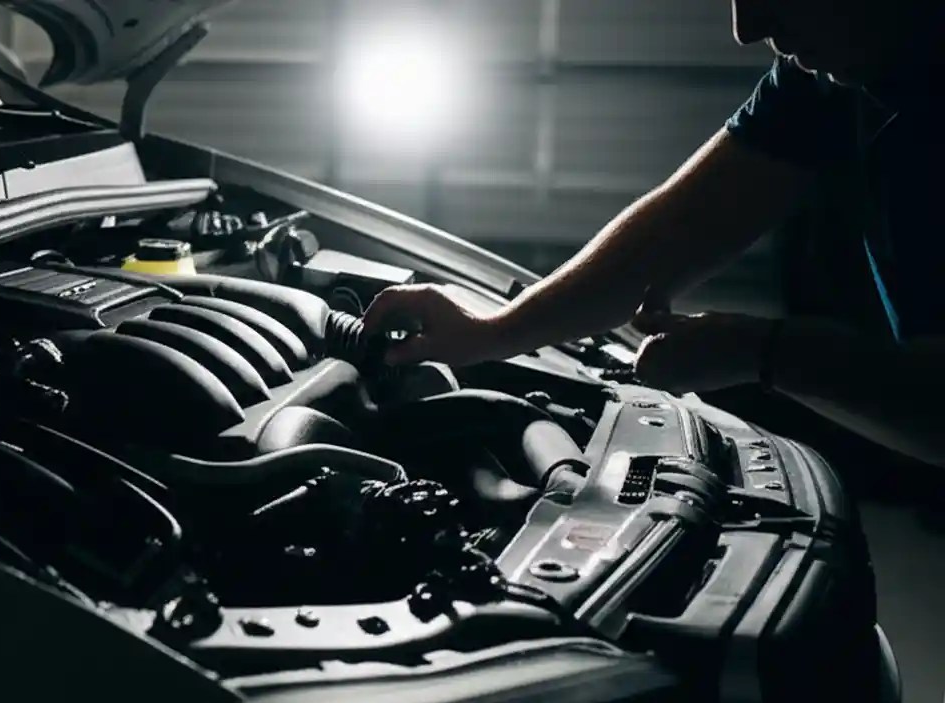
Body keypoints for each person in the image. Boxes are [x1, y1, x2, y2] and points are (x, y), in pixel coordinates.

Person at [361, 0, 945, 469]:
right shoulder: (831, 76)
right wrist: (492, 333)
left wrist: (760, 352)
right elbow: (679, 227)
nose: (748, 26)